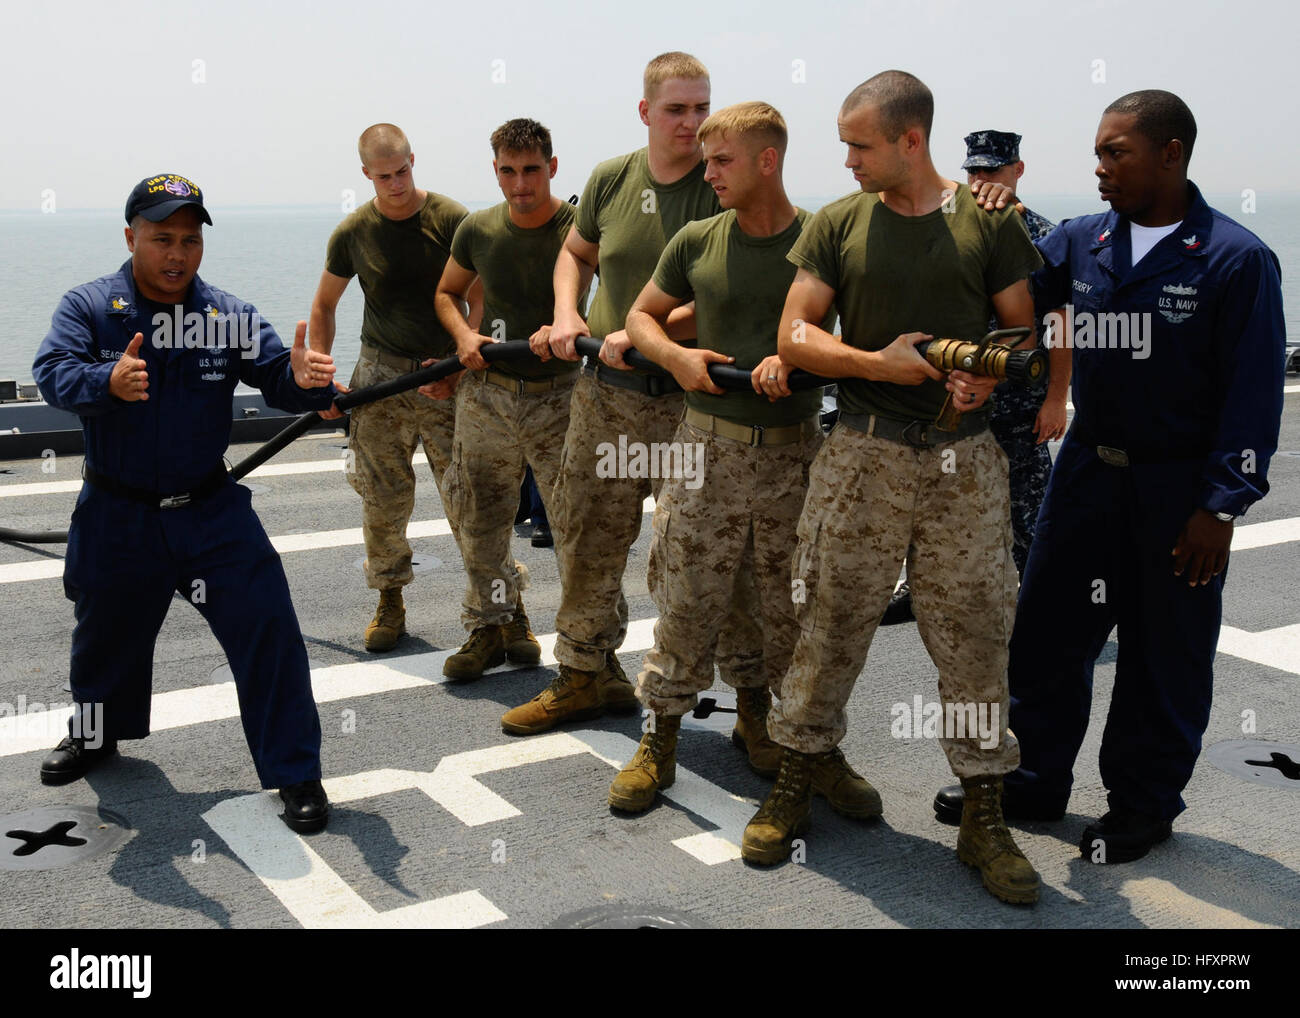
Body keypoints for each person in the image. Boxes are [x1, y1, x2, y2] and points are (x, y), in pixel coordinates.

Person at [933, 91, 1286, 863]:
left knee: (1165, 655)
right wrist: (983, 215)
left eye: (1115, 153)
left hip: (1178, 490)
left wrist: (1219, 510)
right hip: (1089, 473)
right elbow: (1004, 295)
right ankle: (1032, 776)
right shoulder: (1080, 241)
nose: (1098, 169)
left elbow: (1254, 400)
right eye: (1097, 153)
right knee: (1048, 632)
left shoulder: (1235, 259)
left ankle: (1142, 804)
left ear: (1171, 153)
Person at [746, 71, 1045, 906]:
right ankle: (796, 778)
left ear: (910, 142)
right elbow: (795, 336)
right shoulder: (840, 225)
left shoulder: (988, 221)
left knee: (977, 636)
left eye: (859, 144)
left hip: (965, 463)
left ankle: (984, 814)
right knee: (830, 620)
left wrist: (982, 381)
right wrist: (876, 364)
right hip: (863, 457)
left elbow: (1017, 330)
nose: (845, 159)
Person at [32, 174, 339, 833]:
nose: (178, 254)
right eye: (162, 238)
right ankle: (94, 736)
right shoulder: (89, 306)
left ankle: (295, 770)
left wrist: (305, 379)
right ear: (131, 237)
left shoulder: (226, 314)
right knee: (102, 638)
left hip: (210, 511)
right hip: (119, 512)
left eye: (190, 240)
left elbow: (277, 373)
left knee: (269, 629)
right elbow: (51, 371)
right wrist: (104, 380)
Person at [606, 101, 883, 819]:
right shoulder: (697, 239)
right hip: (706, 450)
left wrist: (799, 359)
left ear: (768, 160)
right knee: (688, 599)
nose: (709, 172)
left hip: (795, 456)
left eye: (722, 159)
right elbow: (639, 316)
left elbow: (858, 331)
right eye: (706, 159)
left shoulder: (825, 239)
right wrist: (674, 354)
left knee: (792, 610)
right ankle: (658, 738)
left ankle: (793, 740)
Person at [507, 52, 775, 755]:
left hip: (691, 403)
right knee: (586, 536)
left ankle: (753, 703)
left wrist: (644, 331)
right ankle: (586, 674)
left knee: (715, 560)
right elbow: (576, 252)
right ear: (646, 113)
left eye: (701, 107)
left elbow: (736, 282)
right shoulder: (612, 178)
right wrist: (567, 313)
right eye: (677, 109)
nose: (692, 124)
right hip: (606, 395)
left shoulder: (725, 182)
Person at [309, 124, 477, 652]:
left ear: (413, 160)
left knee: (470, 496)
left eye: (402, 171)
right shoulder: (354, 232)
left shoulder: (452, 221)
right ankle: (389, 600)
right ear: (366, 174)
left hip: (444, 376)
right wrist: (319, 371)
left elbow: (481, 298)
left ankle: (500, 608)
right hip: (379, 380)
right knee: (382, 498)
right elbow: (324, 306)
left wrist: (462, 363)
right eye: (383, 176)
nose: (395, 183)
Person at [883, 130, 1062, 624]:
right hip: (951, 399)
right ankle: (916, 591)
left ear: (1017, 171)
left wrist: (1056, 399)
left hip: (1016, 401)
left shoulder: (1041, 235)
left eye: (992, 170)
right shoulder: (946, 224)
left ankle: (1041, 605)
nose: (981, 180)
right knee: (932, 502)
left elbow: (1061, 324)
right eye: (974, 171)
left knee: (1028, 513)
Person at [429, 118, 578, 681]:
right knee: (481, 518)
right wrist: (465, 338)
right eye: (509, 172)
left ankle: (592, 653)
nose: (521, 184)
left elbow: (617, 296)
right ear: (495, 172)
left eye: (532, 170)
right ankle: (493, 625)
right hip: (487, 397)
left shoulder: (578, 227)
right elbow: (446, 292)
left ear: (552, 168)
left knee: (575, 526)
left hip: (560, 396)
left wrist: (571, 322)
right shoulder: (478, 229)